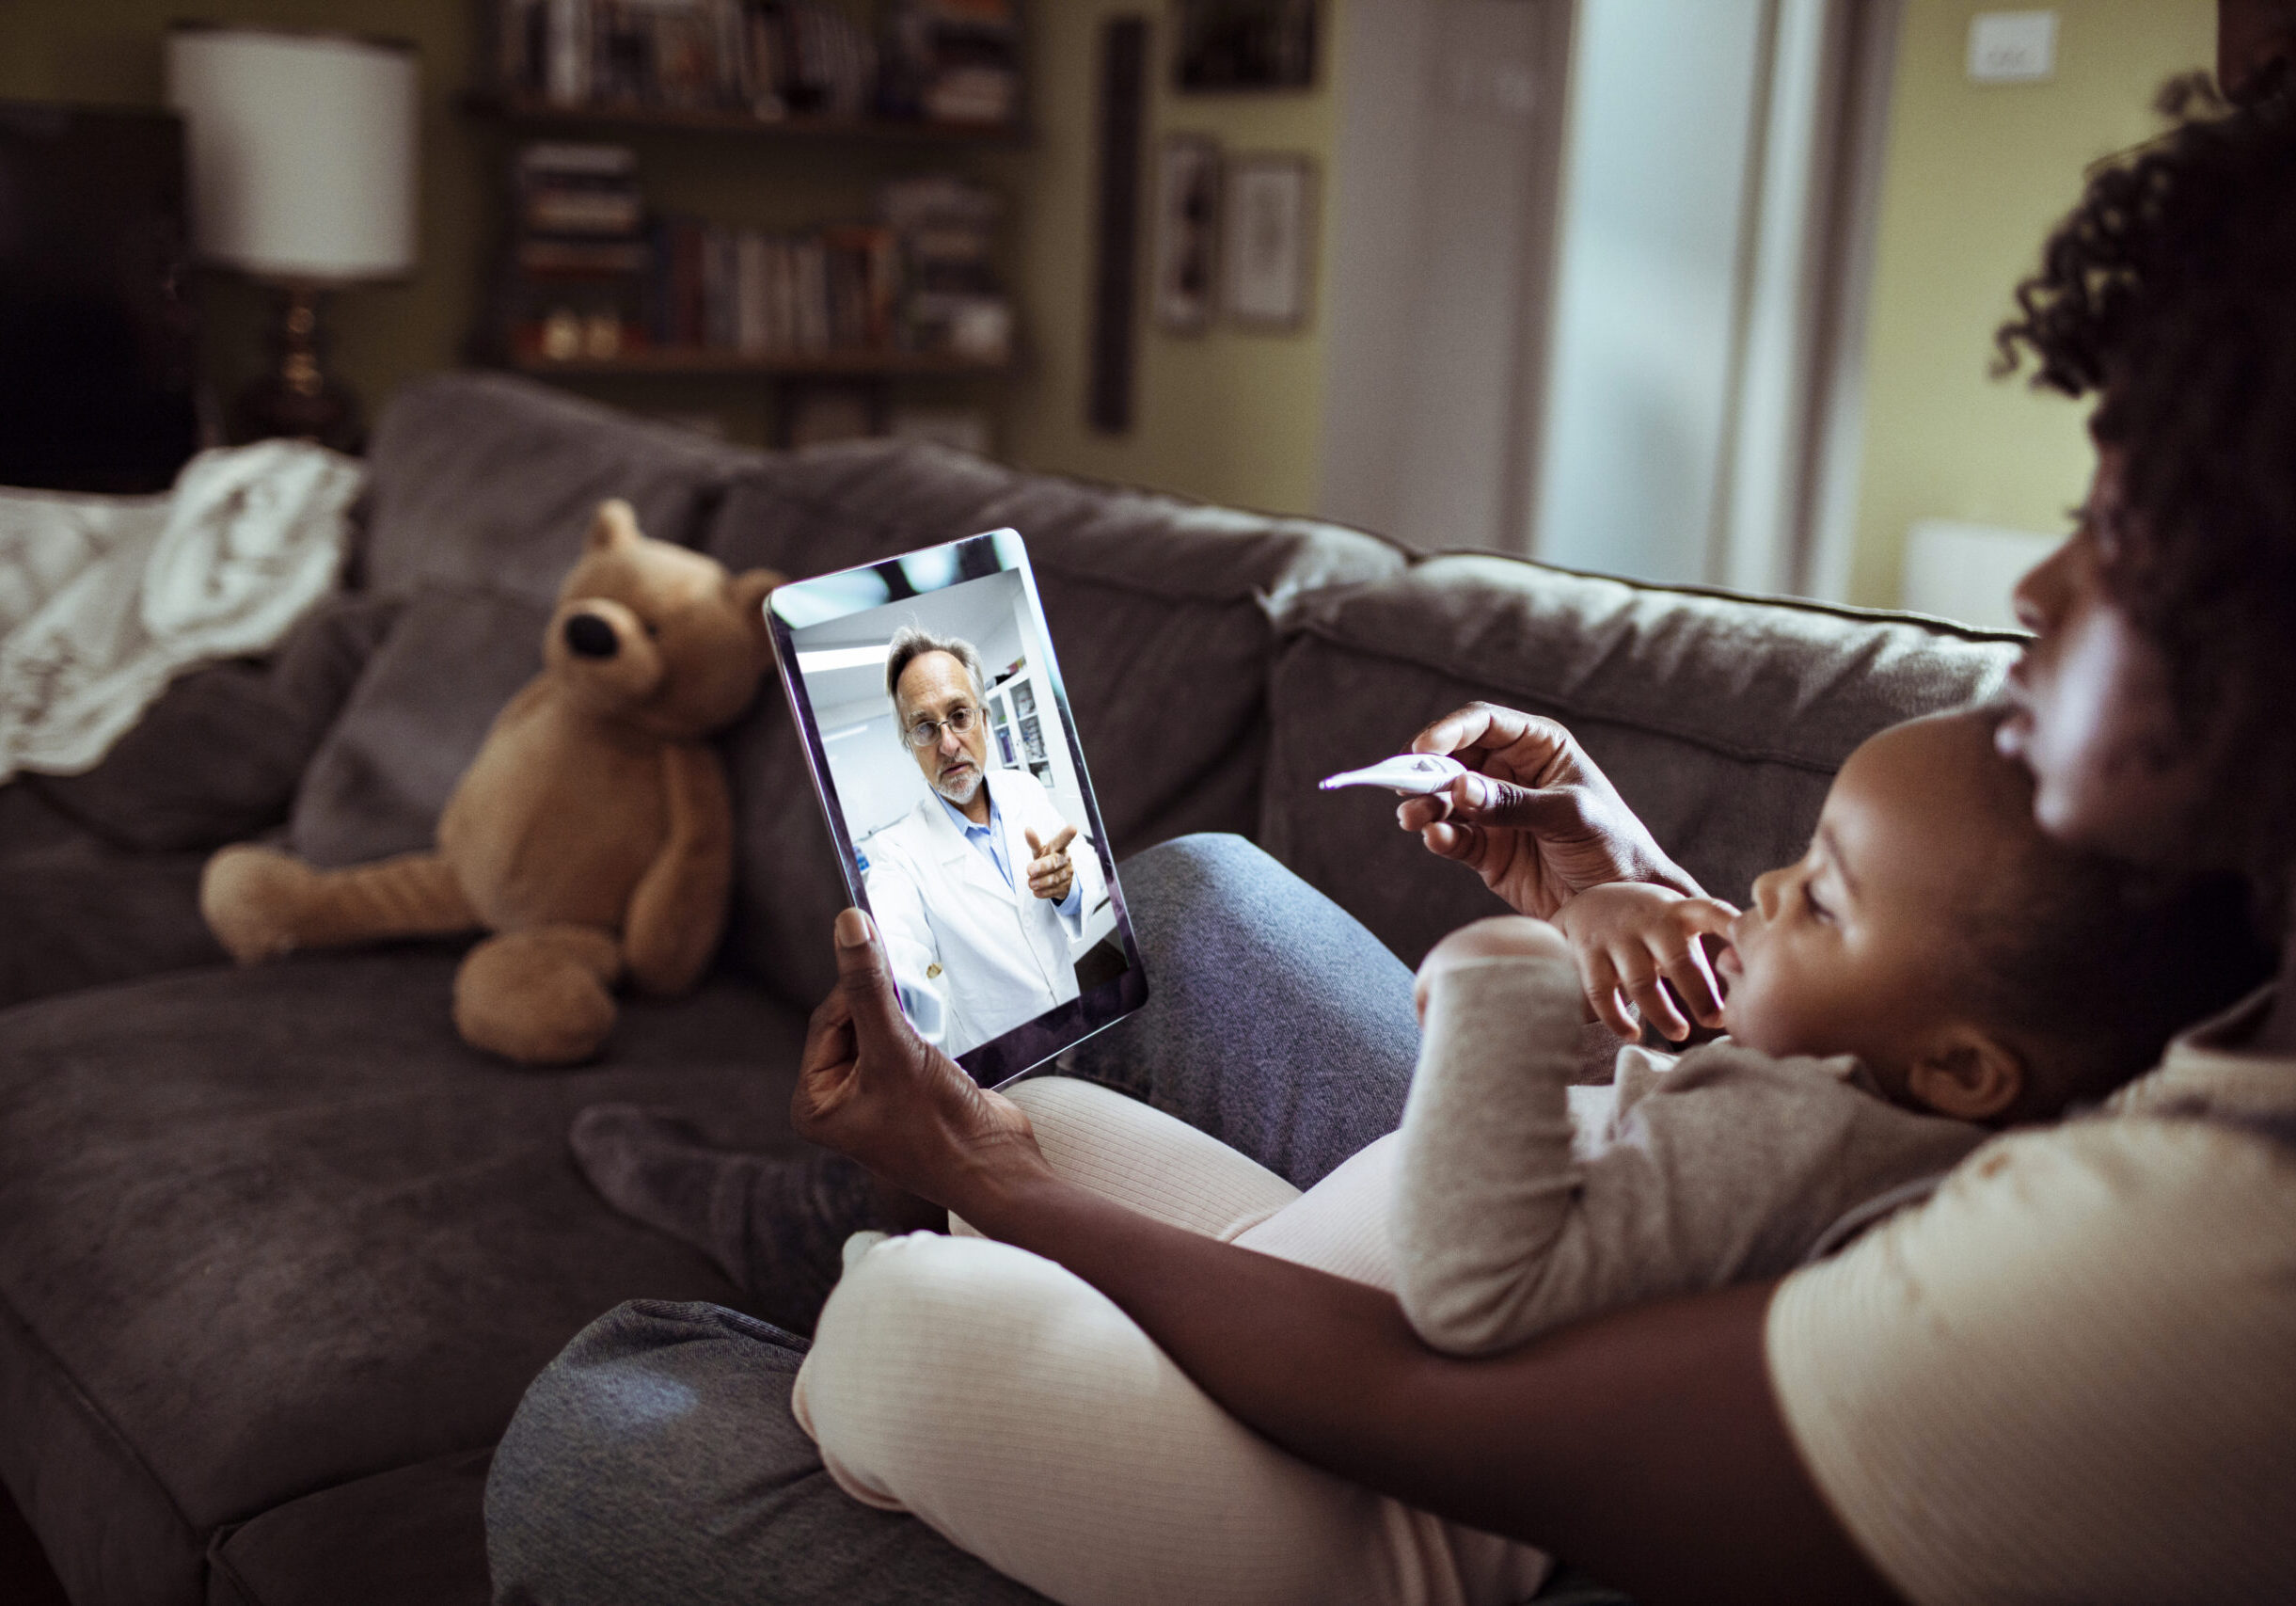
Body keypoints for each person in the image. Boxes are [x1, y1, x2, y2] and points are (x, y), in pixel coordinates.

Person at [486, 24, 2296, 1606]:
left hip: (1498, 1477)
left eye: (2135, 530)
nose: (2042, 585)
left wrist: (997, 1189)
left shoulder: (2202, 1273)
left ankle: (882, 1258)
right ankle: (890, 1229)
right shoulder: (2155, 965)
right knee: (1183, 903)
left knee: (609, 1419)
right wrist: (1616, 880)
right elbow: (1877, 1068)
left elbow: (1453, 1396)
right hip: (1570, 1297)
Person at [769, 710, 2263, 1606]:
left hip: (1360, 1505)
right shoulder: (1867, 1091)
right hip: (1337, 1281)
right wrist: (1623, 905)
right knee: (1067, 1113)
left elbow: (1475, 1290)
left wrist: (1514, 971)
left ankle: (840, 1337)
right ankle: (887, 1234)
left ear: (1956, 1072)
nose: (1764, 885)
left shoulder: (1821, 1147)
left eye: (1823, 897)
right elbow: (1646, 1154)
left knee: (896, 1312)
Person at [861, 625, 1104, 1057]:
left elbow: (1085, 864)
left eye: (959, 715)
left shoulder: (1023, 789)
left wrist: (1067, 887)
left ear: (986, 720)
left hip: (1076, 1013)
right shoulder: (897, 855)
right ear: (909, 746)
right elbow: (896, 960)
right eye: (924, 728)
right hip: (1005, 1063)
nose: (950, 743)